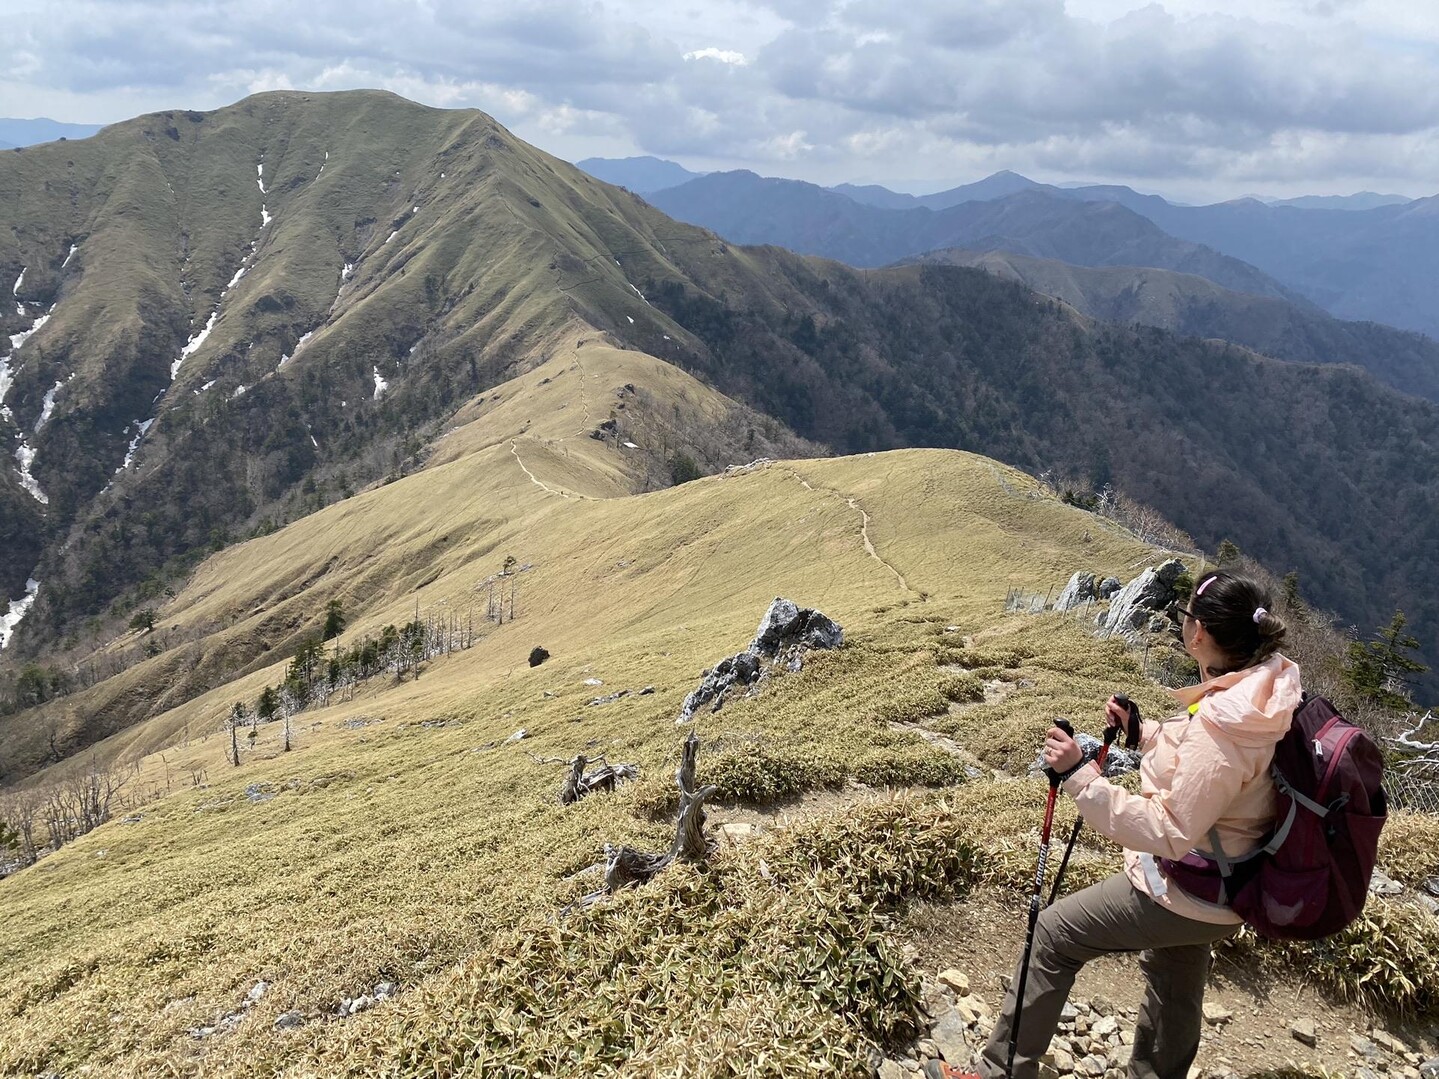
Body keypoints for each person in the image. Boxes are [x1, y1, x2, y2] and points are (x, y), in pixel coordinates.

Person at [925, 570, 1300, 1079]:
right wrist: (1143, 733)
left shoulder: (1225, 724)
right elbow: (1210, 771)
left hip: (1191, 885)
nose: (1183, 624)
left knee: (1054, 936)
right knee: (1174, 973)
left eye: (1186, 616)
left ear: (1199, 634)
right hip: (1230, 880)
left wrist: (1079, 775)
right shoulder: (1266, 688)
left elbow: (1170, 829)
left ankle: (999, 1072)